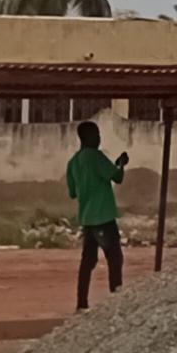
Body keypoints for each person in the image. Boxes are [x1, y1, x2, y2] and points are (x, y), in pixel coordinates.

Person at [65, 121, 127, 311]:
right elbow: (117, 177)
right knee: (114, 258)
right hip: (103, 218)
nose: (99, 138)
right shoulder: (97, 157)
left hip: (87, 219)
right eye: (97, 134)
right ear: (89, 137)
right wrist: (121, 164)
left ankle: (81, 302)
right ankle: (116, 301)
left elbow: (73, 193)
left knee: (88, 262)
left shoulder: (73, 162)